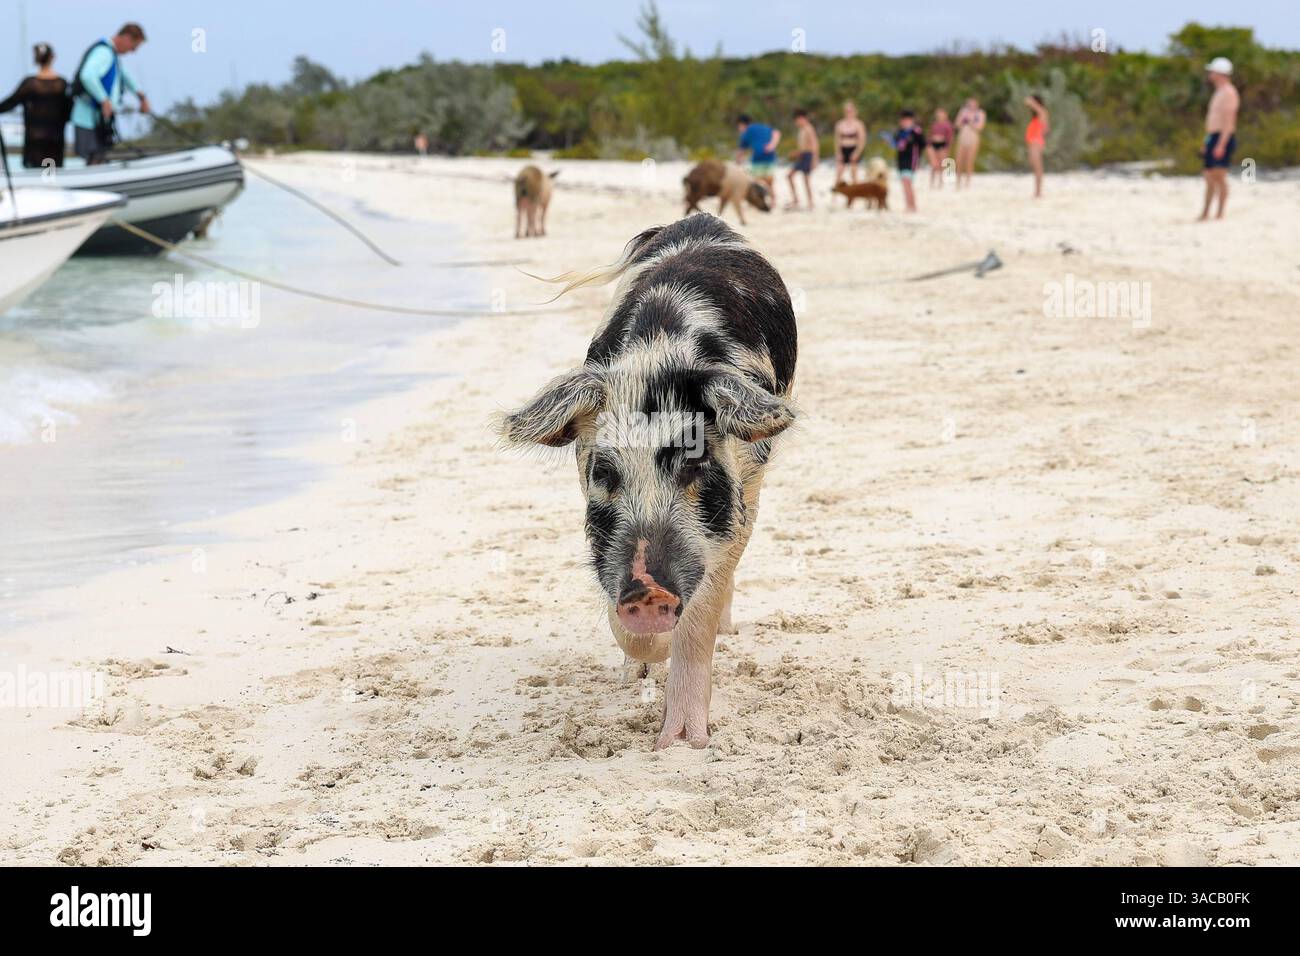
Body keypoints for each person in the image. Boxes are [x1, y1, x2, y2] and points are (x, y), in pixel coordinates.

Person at [70, 23, 151, 165]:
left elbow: (124, 75)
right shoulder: (104, 53)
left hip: (98, 121)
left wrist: (141, 96)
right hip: (88, 120)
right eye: (133, 47)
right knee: (94, 160)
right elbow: (87, 76)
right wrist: (104, 100)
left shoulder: (112, 56)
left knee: (100, 158)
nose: (132, 51)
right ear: (126, 38)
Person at [0, 43, 71, 168]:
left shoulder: (29, 84)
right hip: (55, 138)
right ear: (52, 57)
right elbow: (69, 111)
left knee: (35, 177)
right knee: (50, 176)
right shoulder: (62, 84)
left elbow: (10, 103)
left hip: (34, 138)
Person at [1199, 57, 1239, 221]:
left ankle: (1220, 213)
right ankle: (1206, 212)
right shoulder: (1219, 91)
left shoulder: (1229, 93)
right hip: (1213, 137)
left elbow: (1229, 122)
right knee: (1208, 176)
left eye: (1212, 71)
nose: (1210, 74)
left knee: (1219, 176)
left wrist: (1221, 144)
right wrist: (1206, 142)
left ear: (1220, 73)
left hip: (1222, 138)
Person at [735, 113, 780, 195]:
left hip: (758, 158)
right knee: (768, 181)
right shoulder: (760, 127)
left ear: (742, 124)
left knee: (756, 180)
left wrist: (737, 162)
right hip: (770, 157)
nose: (739, 129)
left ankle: (761, 198)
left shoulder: (746, 132)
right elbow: (776, 132)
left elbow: (741, 151)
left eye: (739, 126)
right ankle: (773, 200)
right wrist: (772, 145)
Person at [892, 110, 925, 213]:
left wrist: (919, 159)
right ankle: (908, 204)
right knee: (904, 183)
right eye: (903, 120)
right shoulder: (900, 132)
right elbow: (896, 144)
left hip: (911, 160)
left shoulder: (916, 132)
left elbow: (923, 145)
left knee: (908, 182)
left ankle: (913, 205)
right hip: (901, 160)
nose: (905, 122)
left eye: (908, 120)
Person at [785, 109, 818, 210]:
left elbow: (814, 144)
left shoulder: (809, 128)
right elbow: (803, 146)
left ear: (802, 118)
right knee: (789, 176)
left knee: (806, 180)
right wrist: (796, 153)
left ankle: (810, 202)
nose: (796, 123)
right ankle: (796, 199)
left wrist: (815, 159)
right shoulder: (801, 129)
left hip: (808, 155)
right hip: (802, 155)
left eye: (797, 120)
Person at [954, 97, 985, 189]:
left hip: (973, 139)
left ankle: (968, 183)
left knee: (969, 161)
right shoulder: (963, 112)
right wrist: (962, 117)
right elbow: (957, 125)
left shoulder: (980, 113)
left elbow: (980, 128)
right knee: (959, 160)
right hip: (962, 138)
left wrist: (970, 121)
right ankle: (958, 182)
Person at [833, 101, 866, 186]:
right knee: (839, 172)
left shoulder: (859, 124)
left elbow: (862, 140)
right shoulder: (840, 124)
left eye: (850, 111)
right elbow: (837, 140)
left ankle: (855, 192)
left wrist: (857, 153)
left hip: (854, 148)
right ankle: (834, 195)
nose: (849, 113)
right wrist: (838, 153)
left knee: (853, 173)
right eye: (847, 111)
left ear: (855, 111)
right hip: (843, 149)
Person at [1024, 94, 1050, 198]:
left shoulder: (1042, 111)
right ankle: (1037, 191)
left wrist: (1031, 102)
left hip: (1036, 142)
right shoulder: (1039, 115)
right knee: (1035, 167)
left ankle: (1038, 192)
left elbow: (1038, 109)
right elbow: (1047, 129)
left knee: (1038, 167)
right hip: (1033, 142)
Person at [926, 107, 953, 189]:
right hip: (934, 144)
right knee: (934, 164)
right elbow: (930, 135)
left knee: (942, 164)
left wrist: (947, 148)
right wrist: (929, 143)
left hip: (943, 145)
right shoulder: (934, 124)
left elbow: (950, 137)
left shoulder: (948, 125)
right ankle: (932, 183)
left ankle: (940, 183)